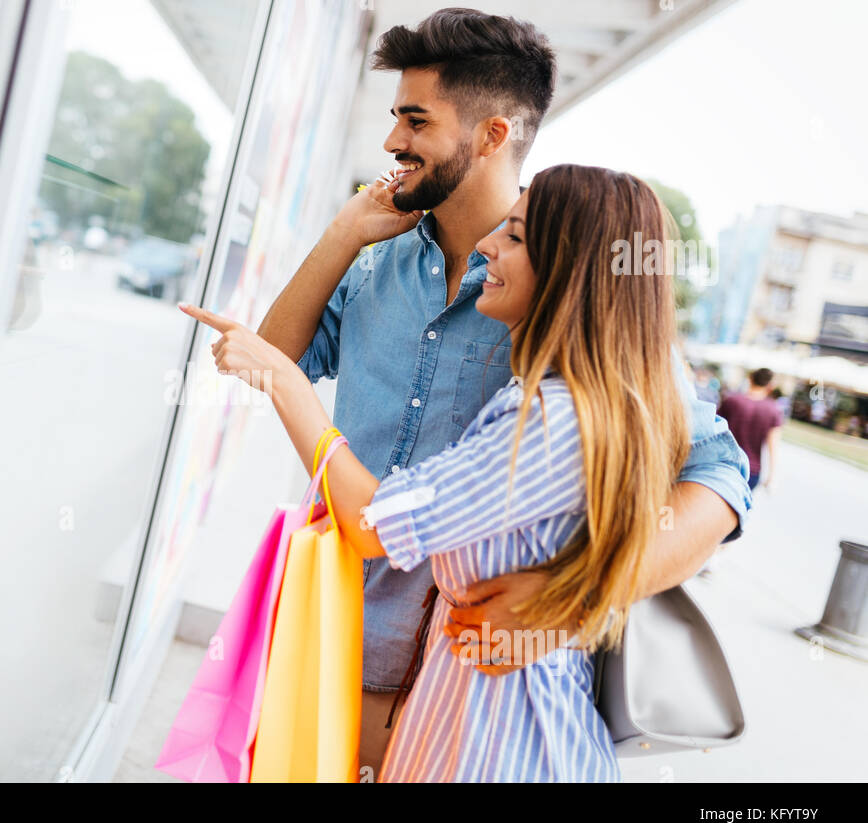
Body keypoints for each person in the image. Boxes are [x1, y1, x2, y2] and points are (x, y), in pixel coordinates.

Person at [246, 8, 751, 775]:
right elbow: (272, 363)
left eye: (416, 121)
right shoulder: (375, 259)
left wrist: (572, 601)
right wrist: (340, 236)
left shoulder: (571, 294)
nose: (392, 143)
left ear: (491, 135)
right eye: (394, 118)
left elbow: (719, 477)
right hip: (335, 643)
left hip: (476, 688)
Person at [183, 164, 711, 781]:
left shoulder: (552, 418)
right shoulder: (562, 401)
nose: (489, 246)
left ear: (573, 272)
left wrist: (285, 383)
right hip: (471, 732)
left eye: (514, 236)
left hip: (507, 749)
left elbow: (372, 522)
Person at [718, 368, 784, 492]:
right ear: (770, 386)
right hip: (751, 472)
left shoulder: (732, 401)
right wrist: (771, 476)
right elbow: (773, 446)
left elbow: (715, 430)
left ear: (751, 379)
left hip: (723, 464)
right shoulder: (774, 410)